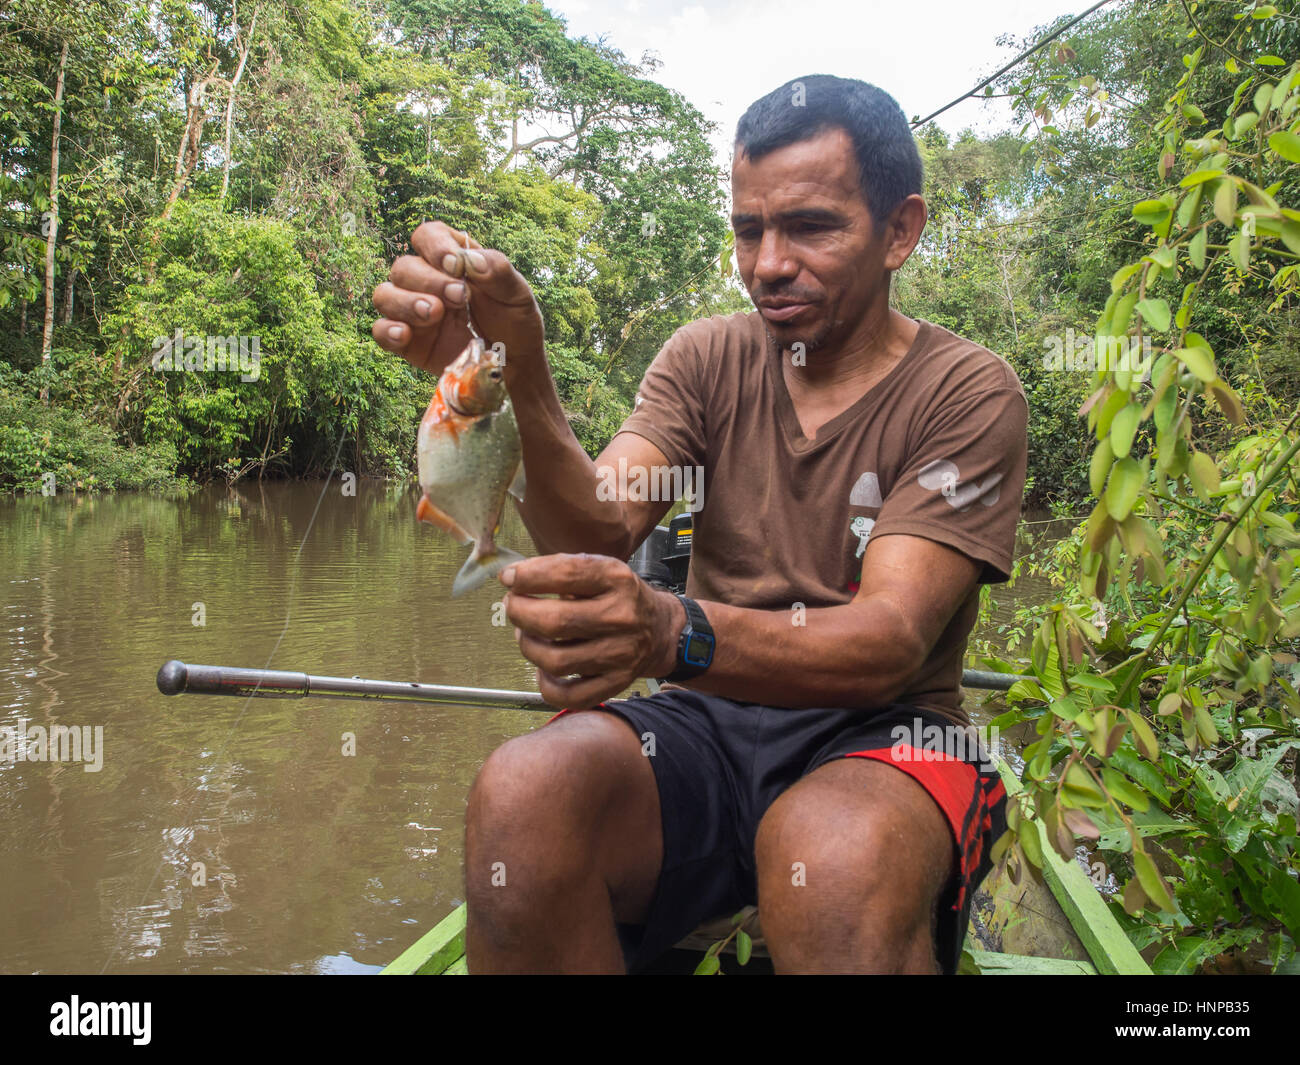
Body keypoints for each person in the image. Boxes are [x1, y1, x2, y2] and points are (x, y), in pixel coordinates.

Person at [371, 74, 1028, 974]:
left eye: (810, 226)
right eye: (748, 229)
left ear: (900, 232)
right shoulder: (708, 356)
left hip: (885, 732)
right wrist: (515, 371)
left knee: (826, 858)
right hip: (710, 722)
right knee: (525, 794)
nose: (768, 263)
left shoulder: (967, 390)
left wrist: (670, 630)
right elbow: (597, 526)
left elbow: (890, 640)